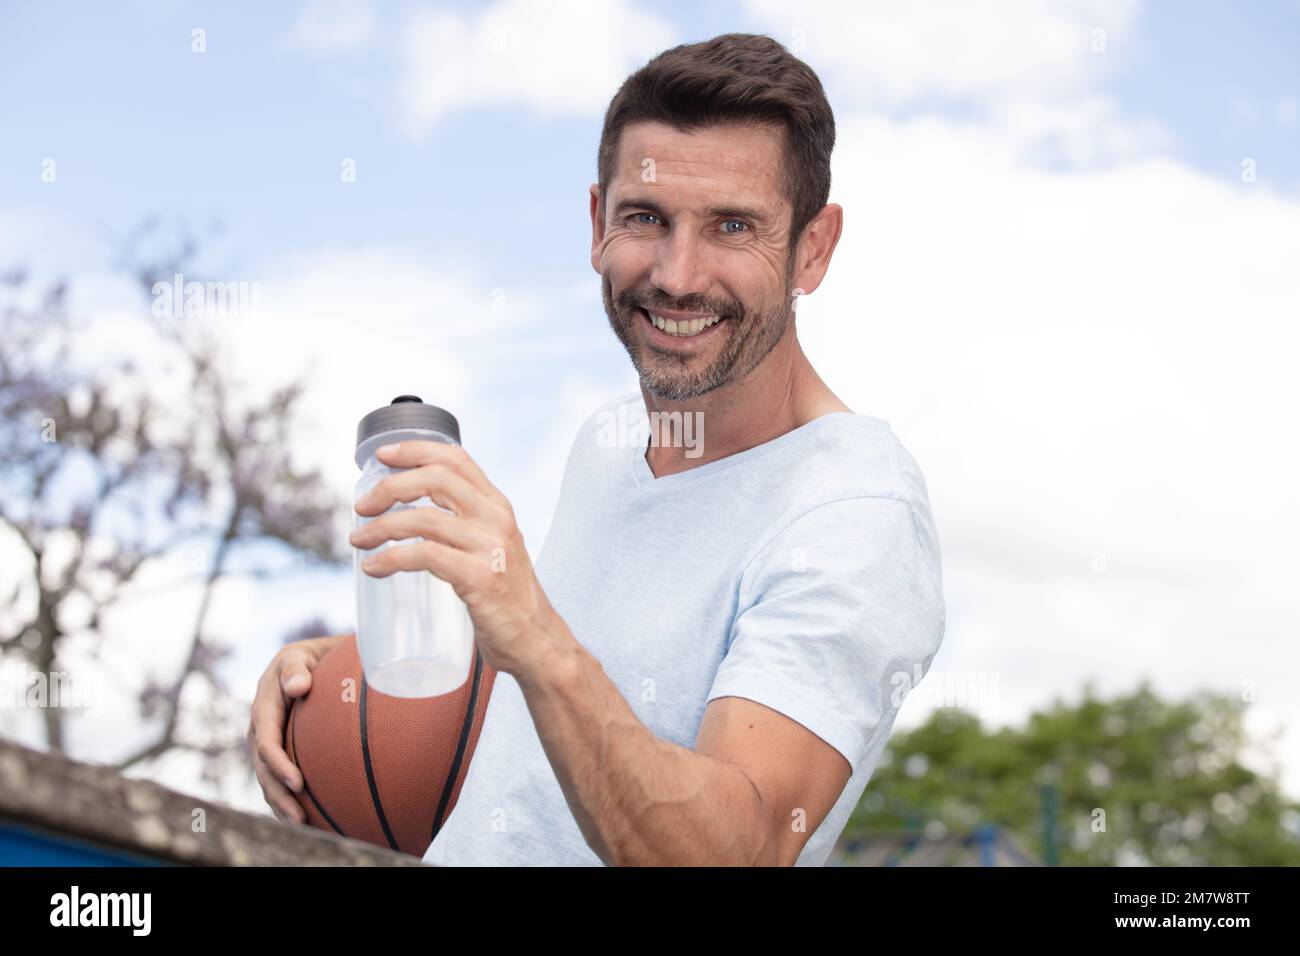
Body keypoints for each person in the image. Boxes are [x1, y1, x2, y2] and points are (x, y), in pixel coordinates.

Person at [248, 32, 946, 866]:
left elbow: (743, 848)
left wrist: (534, 633)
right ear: (596, 224)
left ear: (813, 248)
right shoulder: (608, 443)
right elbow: (563, 707)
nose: (680, 276)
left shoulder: (854, 511)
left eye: (733, 226)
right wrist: (354, 681)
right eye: (646, 219)